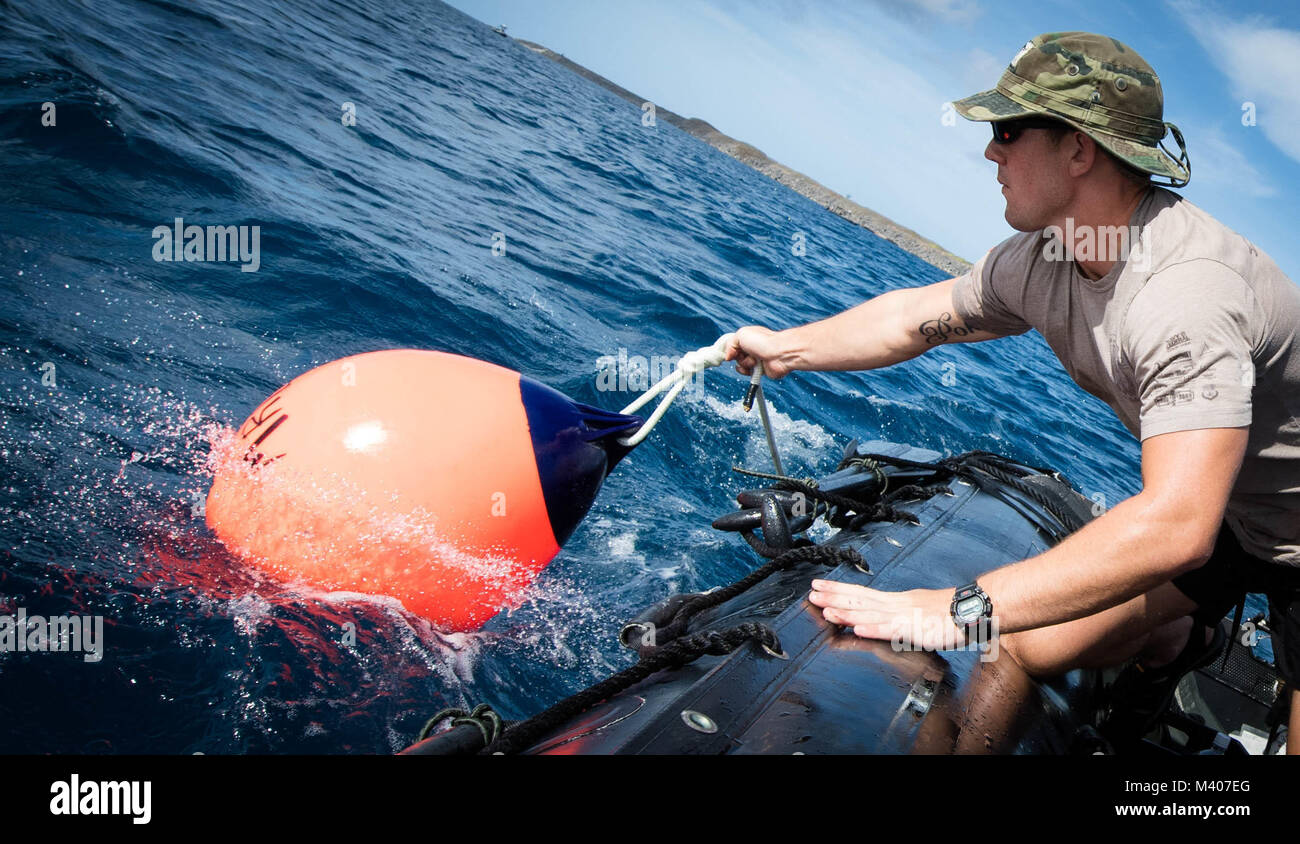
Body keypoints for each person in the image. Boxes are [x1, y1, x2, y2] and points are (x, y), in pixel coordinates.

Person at [724, 31, 1300, 752]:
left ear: (1079, 150)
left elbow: (1176, 524)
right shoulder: (1044, 258)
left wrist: (953, 609)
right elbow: (913, 319)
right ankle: (1180, 637)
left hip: (1266, 528)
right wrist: (787, 347)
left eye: (1006, 130)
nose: (990, 152)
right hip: (1229, 509)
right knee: (1024, 645)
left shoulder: (1185, 297)